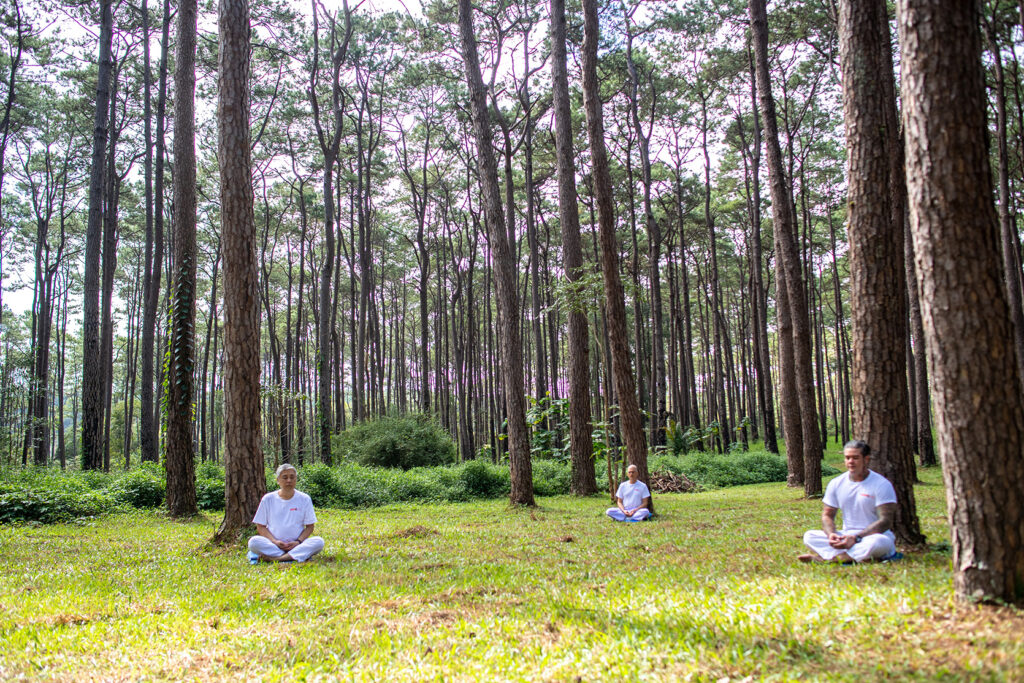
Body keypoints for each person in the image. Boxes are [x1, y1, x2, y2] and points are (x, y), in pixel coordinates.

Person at [799, 440, 898, 563]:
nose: (851, 461)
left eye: (855, 458)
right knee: (809, 536)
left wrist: (856, 538)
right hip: (845, 536)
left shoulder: (881, 484)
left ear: (866, 460)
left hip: (871, 537)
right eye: (847, 458)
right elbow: (827, 515)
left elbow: (885, 521)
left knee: (880, 542)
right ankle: (857, 557)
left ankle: (830, 559)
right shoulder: (836, 483)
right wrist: (832, 535)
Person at [247, 464, 325, 564]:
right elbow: (261, 526)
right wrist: (275, 542)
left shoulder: (304, 499)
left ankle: (277, 558)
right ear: (278, 480)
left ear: (296, 479)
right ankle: (292, 556)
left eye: (292, 477)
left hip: (297, 544)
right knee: (253, 542)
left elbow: (310, 527)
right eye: (285, 477)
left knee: (319, 542)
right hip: (274, 544)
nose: (289, 480)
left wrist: (298, 542)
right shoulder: (268, 499)